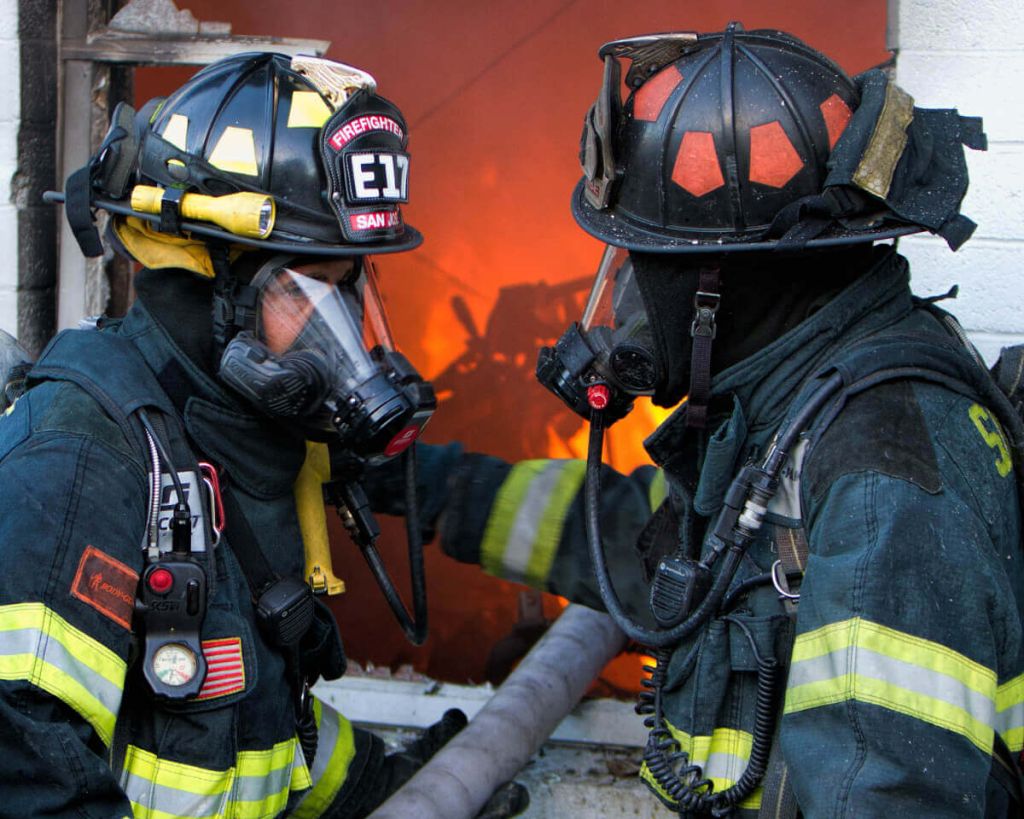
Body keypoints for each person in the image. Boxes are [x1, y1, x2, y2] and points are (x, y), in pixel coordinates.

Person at [366, 24, 1024, 817]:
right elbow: (645, 545)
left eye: (651, 270)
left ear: (722, 286)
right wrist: (428, 487)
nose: (631, 310)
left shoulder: (881, 474)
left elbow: (885, 798)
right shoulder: (794, 408)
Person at [0, 52, 468, 818]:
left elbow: (249, 741)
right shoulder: (81, 468)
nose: (347, 339)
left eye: (355, 291)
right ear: (206, 286)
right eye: (310, 292)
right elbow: (30, 782)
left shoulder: (252, 443)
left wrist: (394, 787)